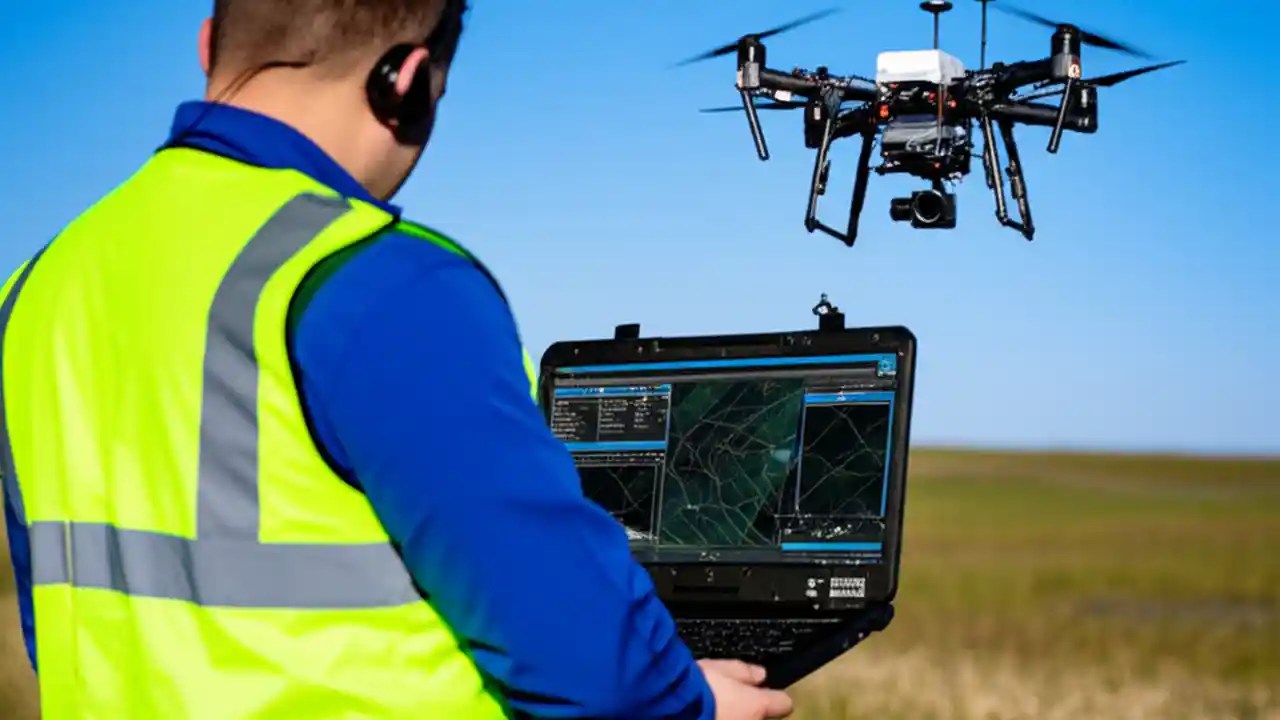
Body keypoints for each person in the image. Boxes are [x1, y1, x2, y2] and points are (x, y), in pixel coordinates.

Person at [0, 2, 797, 719]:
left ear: (209, 44)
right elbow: (594, 673)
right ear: (408, 81)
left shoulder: (39, 285)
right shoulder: (383, 283)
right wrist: (687, 705)